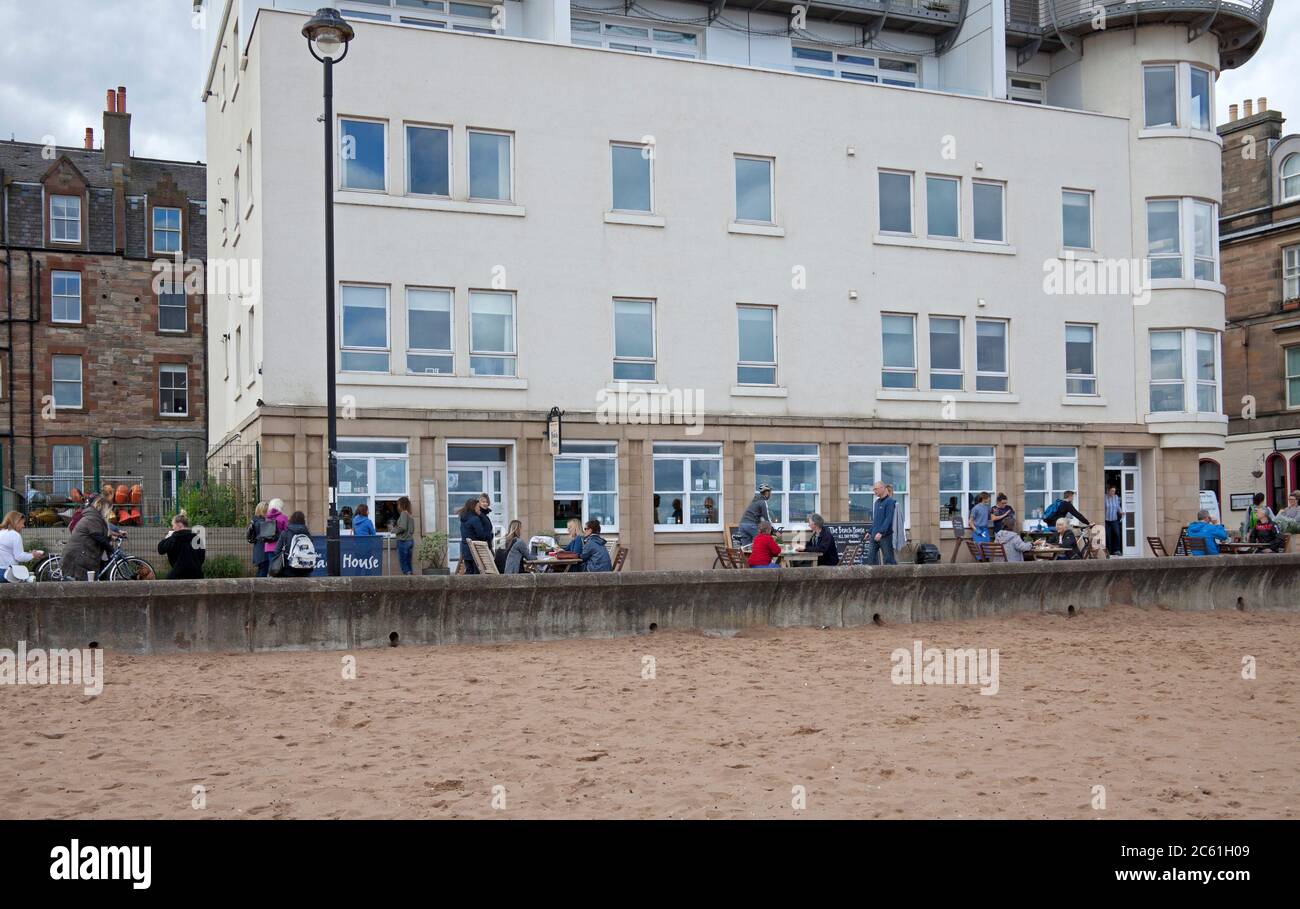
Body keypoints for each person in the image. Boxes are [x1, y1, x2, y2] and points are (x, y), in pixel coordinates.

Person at [62, 496, 118, 581]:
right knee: (82, 586)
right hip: (79, 557)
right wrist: (111, 549)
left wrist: (110, 538)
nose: (109, 512)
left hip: (81, 556)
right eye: (109, 509)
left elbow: (99, 534)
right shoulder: (92, 518)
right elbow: (97, 536)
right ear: (102, 507)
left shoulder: (95, 517)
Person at [157, 513, 205, 580]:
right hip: (196, 574)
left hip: (177, 575)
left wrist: (167, 538)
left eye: (173, 525)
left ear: (179, 525)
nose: (172, 528)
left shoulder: (173, 538)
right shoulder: (197, 538)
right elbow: (202, 558)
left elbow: (160, 550)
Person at [0, 511, 44, 581]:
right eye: (22, 523)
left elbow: (9, 552)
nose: (23, 526)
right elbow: (19, 557)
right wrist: (33, 555)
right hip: (7, 573)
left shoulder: (1, 532)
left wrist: (29, 554)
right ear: (16, 522)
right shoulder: (15, 535)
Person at [270, 510, 316, 577]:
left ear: (291, 519)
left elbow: (277, 551)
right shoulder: (308, 535)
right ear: (303, 520)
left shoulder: (285, 533)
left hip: (288, 569)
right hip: (305, 569)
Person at [457, 496, 493, 574]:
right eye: (477, 506)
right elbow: (481, 535)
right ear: (473, 507)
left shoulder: (463, 518)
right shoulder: (475, 519)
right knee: (476, 572)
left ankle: (465, 586)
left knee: (469, 571)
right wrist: (490, 536)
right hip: (474, 550)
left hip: (466, 549)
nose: (479, 508)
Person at [863, 482, 896, 565]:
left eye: (876, 489)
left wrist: (881, 532)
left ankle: (892, 577)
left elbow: (888, 519)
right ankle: (873, 577)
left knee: (888, 559)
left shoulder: (890, 502)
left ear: (882, 488)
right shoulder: (876, 503)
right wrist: (870, 532)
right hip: (874, 535)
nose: (874, 491)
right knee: (870, 558)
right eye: (874, 489)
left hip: (885, 536)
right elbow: (876, 520)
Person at [263, 498, 289, 566]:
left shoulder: (267, 518)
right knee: (279, 567)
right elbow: (287, 532)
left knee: (272, 567)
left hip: (268, 547)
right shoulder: (283, 517)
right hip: (279, 547)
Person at [392, 496, 415, 576]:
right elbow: (412, 530)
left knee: (403, 563)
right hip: (410, 540)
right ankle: (411, 580)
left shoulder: (403, 513)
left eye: (398, 504)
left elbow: (403, 527)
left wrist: (393, 530)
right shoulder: (410, 515)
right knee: (408, 563)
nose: (397, 506)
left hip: (403, 541)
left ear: (401, 504)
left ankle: (408, 579)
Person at [247, 501, 271, 577]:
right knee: (263, 572)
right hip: (263, 551)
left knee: (261, 571)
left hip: (258, 550)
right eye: (267, 510)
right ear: (263, 511)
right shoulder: (262, 523)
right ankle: (259, 588)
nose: (269, 512)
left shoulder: (255, 521)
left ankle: (256, 587)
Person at [1103, 485, 1125, 556]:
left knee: (1117, 534)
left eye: (1114, 491)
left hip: (1114, 520)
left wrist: (1121, 512)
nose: (1113, 493)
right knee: (1108, 536)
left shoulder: (1116, 497)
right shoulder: (1104, 497)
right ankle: (1108, 552)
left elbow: (1118, 507)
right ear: (1108, 491)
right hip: (1107, 520)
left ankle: (1117, 550)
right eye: (1112, 491)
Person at [886, 485, 907, 550]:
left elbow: (899, 521)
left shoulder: (896, 505)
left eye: (889, 492)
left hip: (891, 532)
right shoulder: (882, 504)